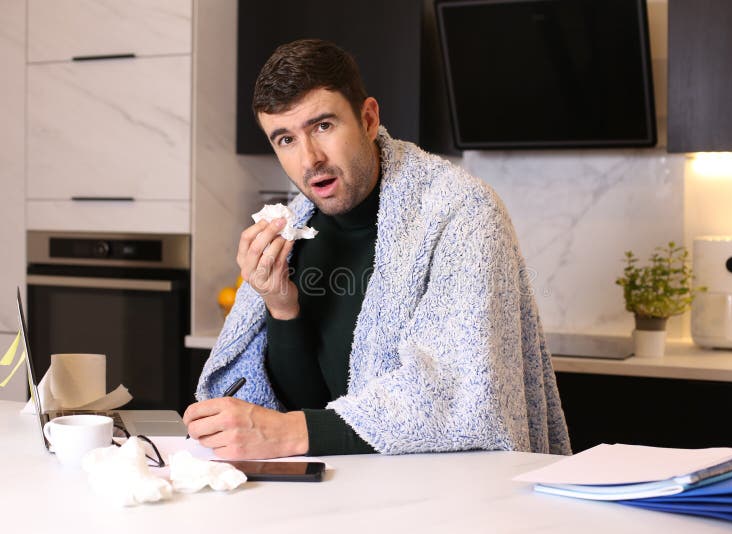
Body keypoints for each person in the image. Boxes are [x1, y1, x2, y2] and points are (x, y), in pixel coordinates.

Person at [186, 38, 570, 459]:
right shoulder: (297, 230)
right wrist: (279, 305)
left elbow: (457, 395)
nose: (309, 159)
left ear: (368, 119)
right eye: (285, 140)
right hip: (338, 492)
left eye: (323, 126)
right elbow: (306, 406)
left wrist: (286, 431)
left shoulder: (461, 212)